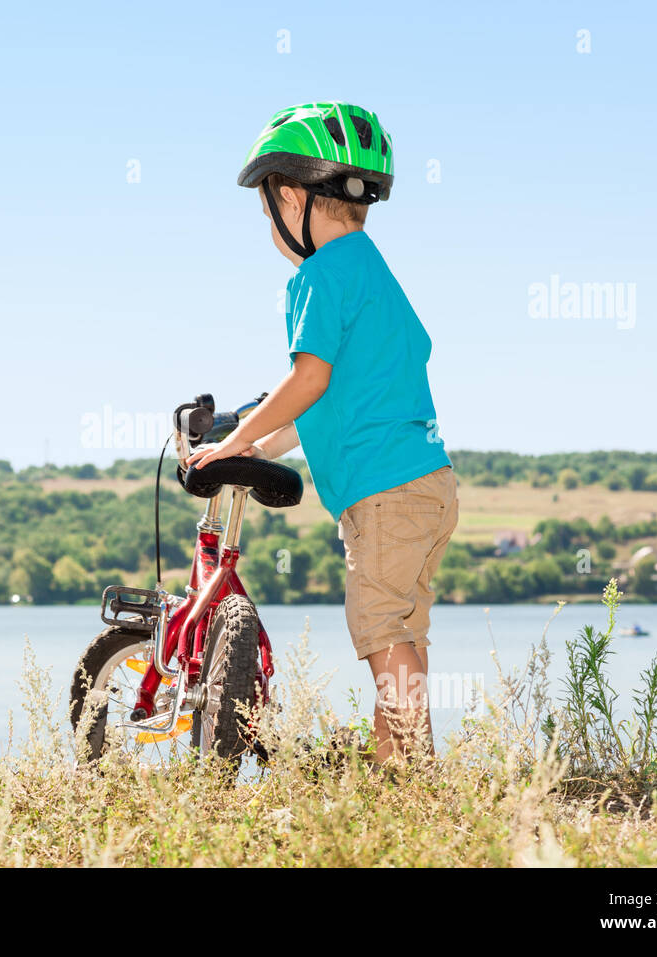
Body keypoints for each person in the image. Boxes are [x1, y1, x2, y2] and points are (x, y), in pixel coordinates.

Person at [186, 102, 456, 766]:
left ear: (290, 195)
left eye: (267, 214)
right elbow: (326, 402)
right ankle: (395, 766)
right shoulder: (372, 274)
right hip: (427, 486)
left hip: (385, 492)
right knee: (401, 632)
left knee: (379, 629)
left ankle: (418, 767)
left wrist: (228, 441)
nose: (272, 231)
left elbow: (308, 380)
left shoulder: (318, 276)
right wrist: (256, 443)